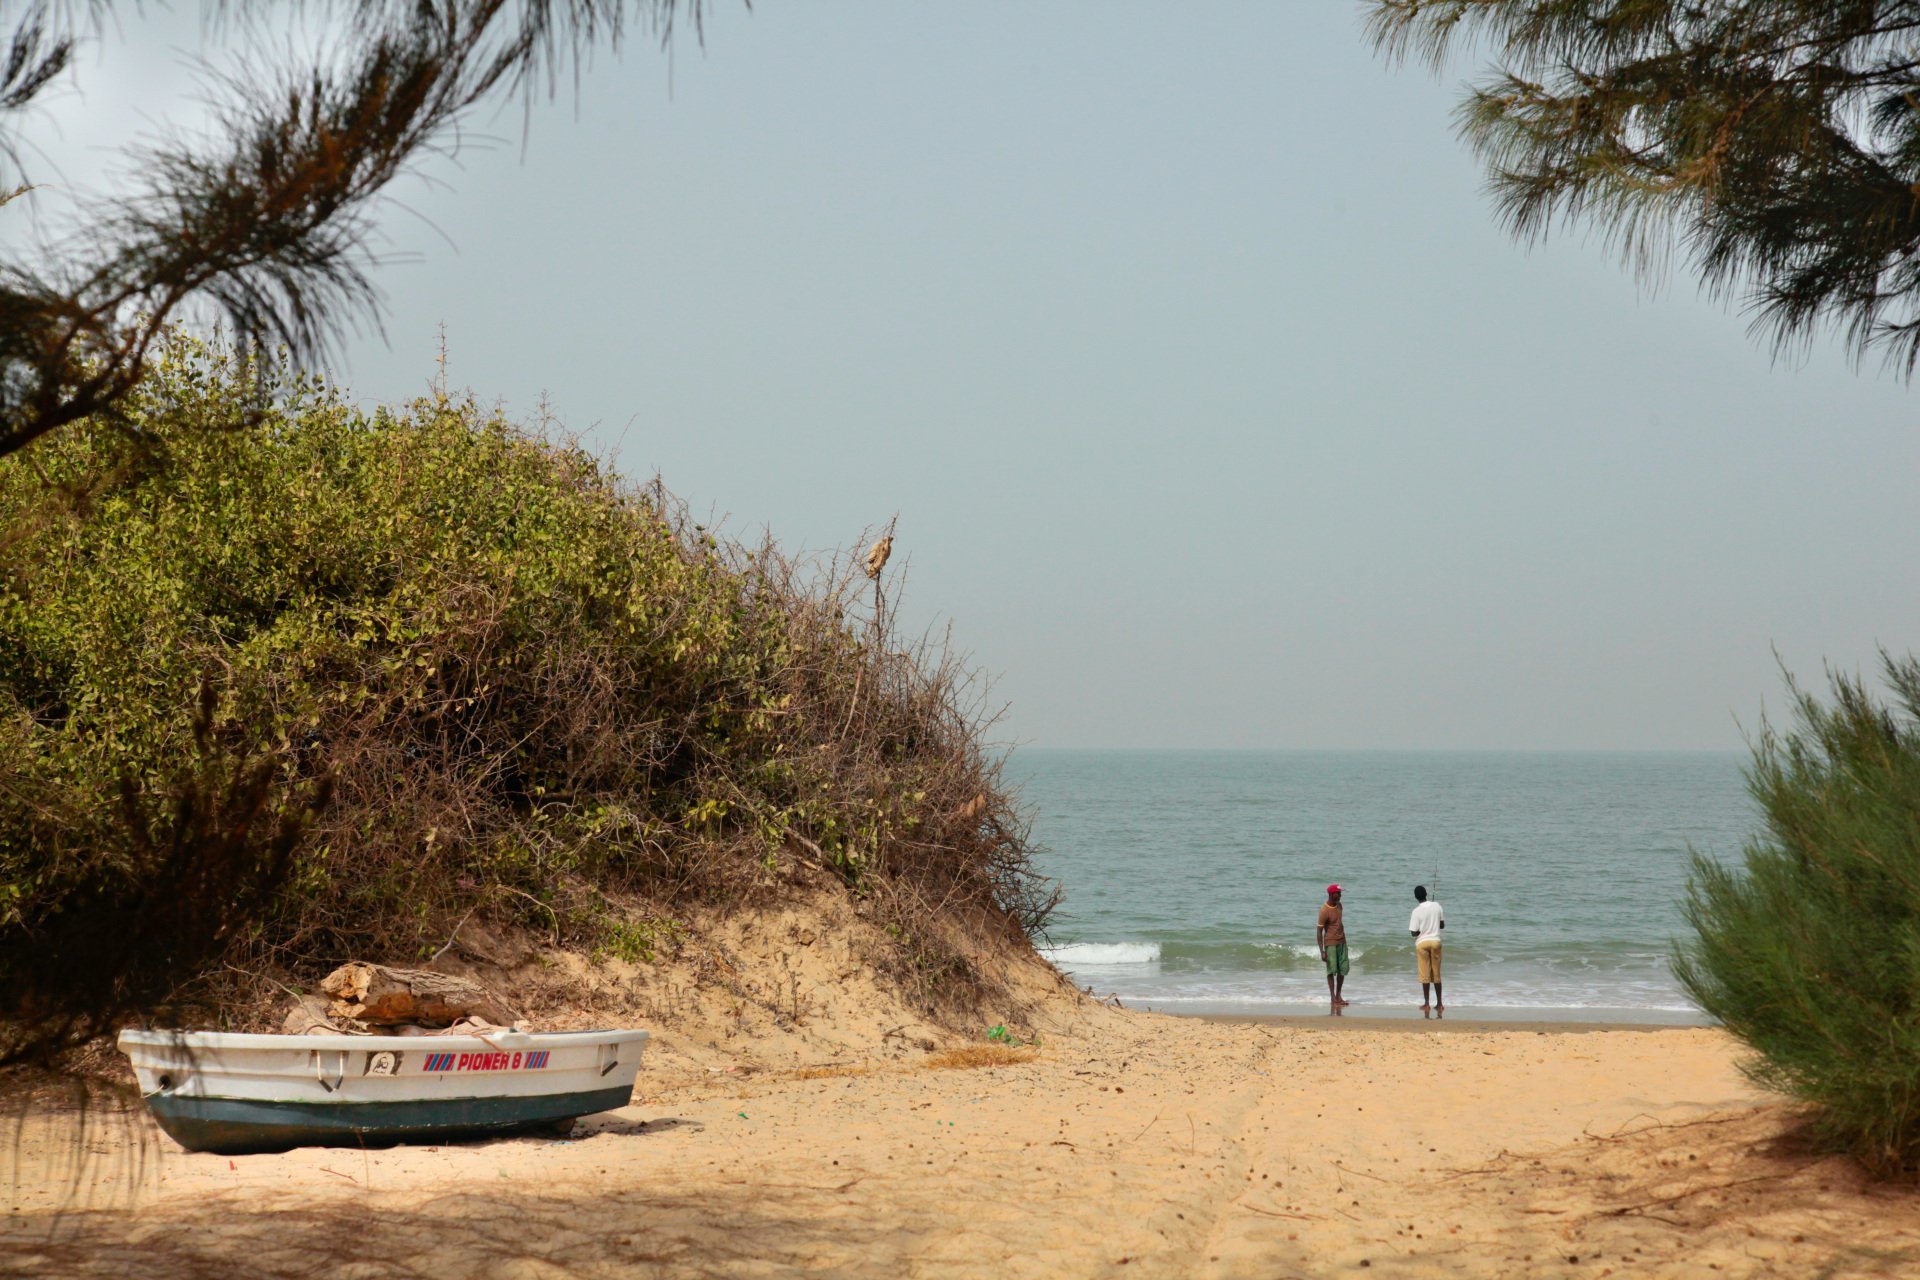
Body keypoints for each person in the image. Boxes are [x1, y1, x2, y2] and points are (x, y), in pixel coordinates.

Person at [1409, 884, 1445, 1016]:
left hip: (1422, 943)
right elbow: (1442, 925)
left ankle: (1426, 1003)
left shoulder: (1416, 911)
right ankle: (1440, 1004)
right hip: (1435, 942)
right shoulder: (1437, 906)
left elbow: (1413, 933)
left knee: (1425, 975)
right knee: (1436, 974)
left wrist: (1421, 930)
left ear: (1416, 897)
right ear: (1426, 894)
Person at [1317, 884, 1349, 1006]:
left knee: (1342, 970)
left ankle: (1338, 995)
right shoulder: (1324, 910)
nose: (1340, 895)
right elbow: (1319, 931)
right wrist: (1322, 951)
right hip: (1330, 944)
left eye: (1340, 893)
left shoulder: (1340, 906)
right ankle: (1332, 998)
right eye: (1338, 893)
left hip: (1342, 942)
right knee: (1331, 971)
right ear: (1331, 894)